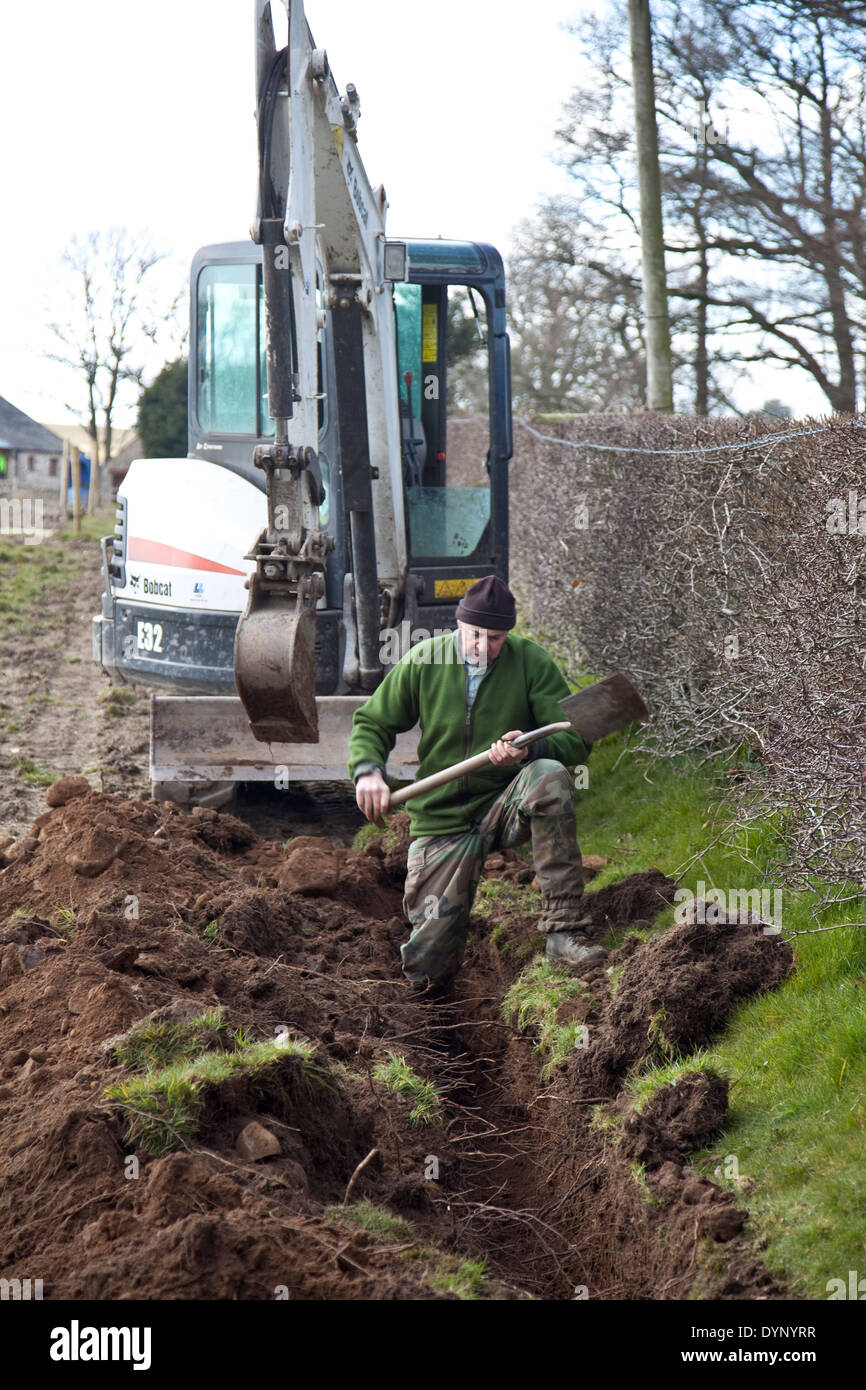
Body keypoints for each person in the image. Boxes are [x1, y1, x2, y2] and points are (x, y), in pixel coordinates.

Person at [348, 576, 608, 990]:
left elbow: (574, 740)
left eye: (495, 638)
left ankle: (563, 931)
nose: (482, 647)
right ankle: (431, 991)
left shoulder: (531, 663)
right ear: (459, 624)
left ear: (508, 635)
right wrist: (368, 771)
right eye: (474, 635)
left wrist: (529, 750)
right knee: (428, 972)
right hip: (443, 817)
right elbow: (373, 722)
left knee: (549, 777)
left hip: (504, 802)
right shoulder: (426, 659)